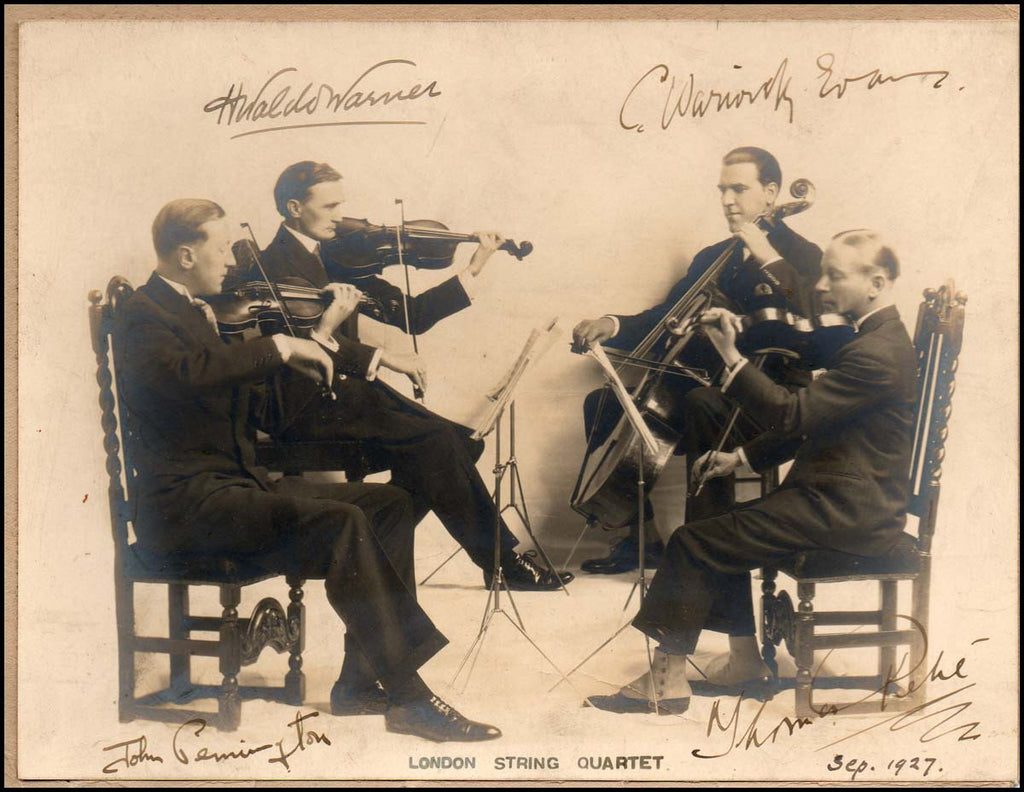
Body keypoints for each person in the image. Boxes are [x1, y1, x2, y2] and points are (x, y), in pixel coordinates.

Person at [117, 198, 502, 741]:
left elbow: (248, 404)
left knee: (387, 506)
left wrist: (318, 338)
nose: (232, 261)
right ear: (185, 254)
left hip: (234, 488)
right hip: (186, 508)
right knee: (342, 521)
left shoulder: (198, 311)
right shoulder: (142, 314)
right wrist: (276, 344)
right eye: (222, 248)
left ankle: (361, 683)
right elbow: (189, 374)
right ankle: (409, 697)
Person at [586, 229, 918, 714]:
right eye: (823, 272)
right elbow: (813, 424)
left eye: (835, 275)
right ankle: (737, 664)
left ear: (877, 282)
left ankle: (667, 679)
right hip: (841, 499)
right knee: (711, 533)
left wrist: (730, 355)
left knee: (692, 541)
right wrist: (739, 459)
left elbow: (792, 415)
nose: (822, 286)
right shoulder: (876, 340)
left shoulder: (875, 353)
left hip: (846, 512)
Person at [240, 160, 572, 592]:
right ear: (294, 207)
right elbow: (298, 339)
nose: (342, 216)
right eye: (331, 206)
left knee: (463, 443)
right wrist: (385, 357)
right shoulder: (272, 265)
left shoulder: (335, 257)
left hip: (347, 395)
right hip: (303, 404)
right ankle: (503, 563)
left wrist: (475, 265)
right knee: (439, 443)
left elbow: (411, 316)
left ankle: (374, 539)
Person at [572, 146, 823, 575]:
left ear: (771, 193)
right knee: (604, 404)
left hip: (763, 397)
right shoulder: (711, 257)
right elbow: (664, 318)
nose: (727, 200)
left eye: (739, 189)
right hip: (702, 387)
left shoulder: (803, 257)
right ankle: (641, 538)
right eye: (723, 189)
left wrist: (762, 255)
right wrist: (611, 324)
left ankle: (701, 554)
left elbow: (812, 327)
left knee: (699, 404)